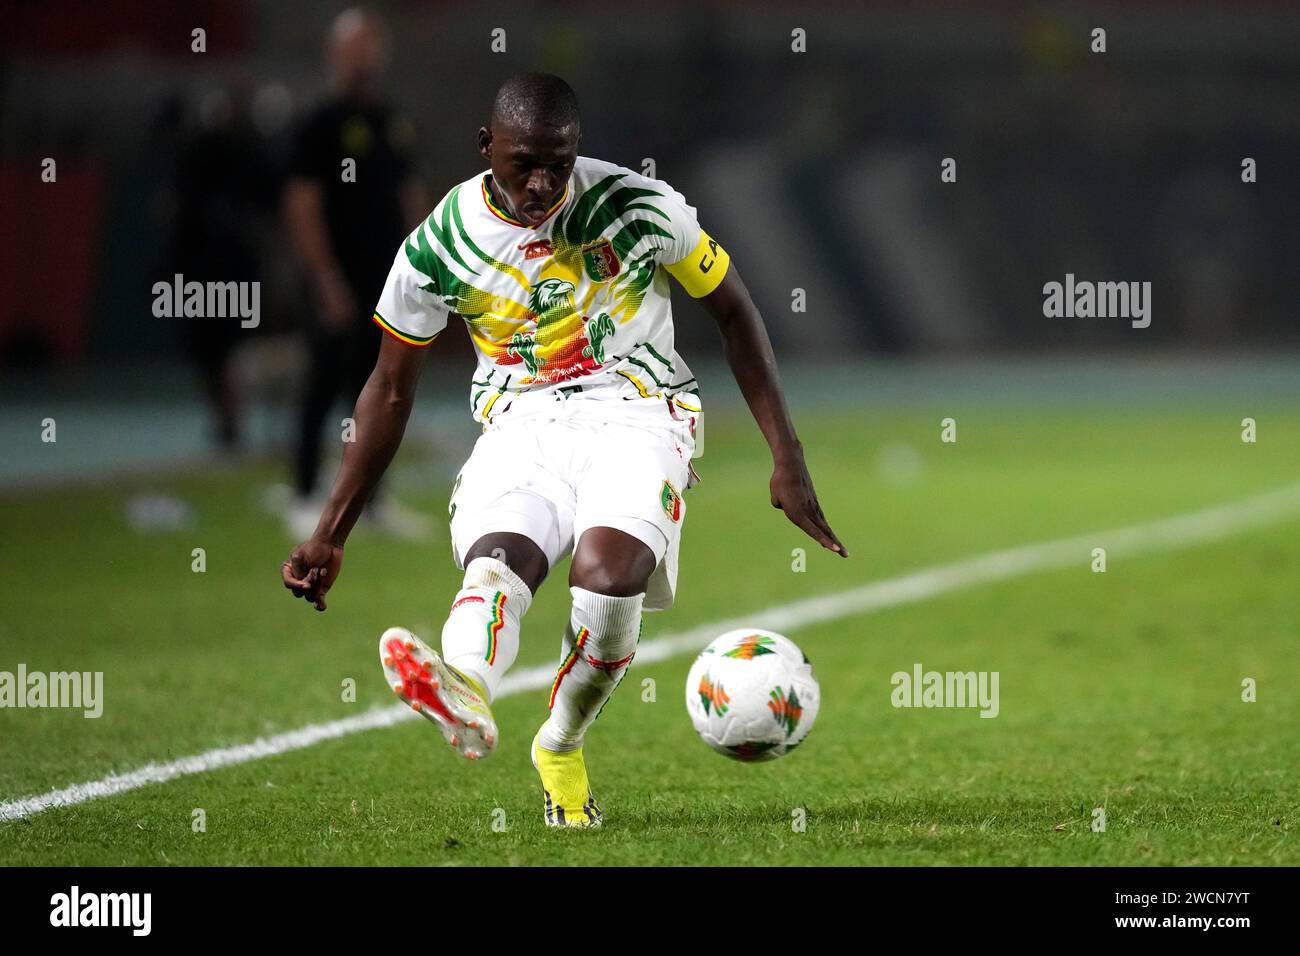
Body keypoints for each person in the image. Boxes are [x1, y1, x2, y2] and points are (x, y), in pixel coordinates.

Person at [281, 72, 846, 828]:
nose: (542, 184)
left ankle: (560, 741)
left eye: (559, 163)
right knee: (497, 565)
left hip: (640, 412)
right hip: (520, 425)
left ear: (578, 150)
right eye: (524, 164)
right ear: (486, 146)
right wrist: (331, 530)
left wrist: (787, 455)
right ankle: (464, 691)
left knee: (609, 582)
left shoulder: (637, 207)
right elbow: (387, 390)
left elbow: (735, 313)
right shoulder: (440, 245)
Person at [283, 7, 428, 538]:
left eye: (372, 44)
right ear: (335, 53)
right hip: (336, 277)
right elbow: (302, 204)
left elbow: (410, 196)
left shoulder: (392, 122)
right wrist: (325, 279)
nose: (366, 55)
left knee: (380, 387)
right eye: (356, 45)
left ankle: (372, 500)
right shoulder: (318, 123)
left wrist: (424, 268)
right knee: (322, 382)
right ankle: (304, 493)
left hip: (386, 280)